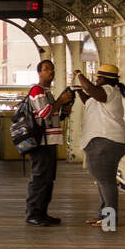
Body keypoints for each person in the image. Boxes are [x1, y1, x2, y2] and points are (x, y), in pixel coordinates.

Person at [73, 63, 125, 227]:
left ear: (104, 79)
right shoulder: (106, 93)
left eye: (98, 78)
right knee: (103, 181)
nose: (96, 80)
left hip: (106, 141)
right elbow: (88, 99)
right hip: (108, 141)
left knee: (106, 182)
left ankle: (109, 219)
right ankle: (104, 216)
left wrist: (79, 75)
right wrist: (77, 90)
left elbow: (92, 91)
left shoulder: (109, 91)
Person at [25, 59, 75, 226]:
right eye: (46, 69)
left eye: (52, 69)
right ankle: (33, 213)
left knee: (47, 178)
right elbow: (45, 112)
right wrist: (61, 101)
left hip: (49, 141)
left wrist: (63, 112)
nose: (50, 72)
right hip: (41, 142)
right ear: (39, 73)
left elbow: (52, 116)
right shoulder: (37, 91)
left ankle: (42, 212)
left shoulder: (47, 92)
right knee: (39, 177)